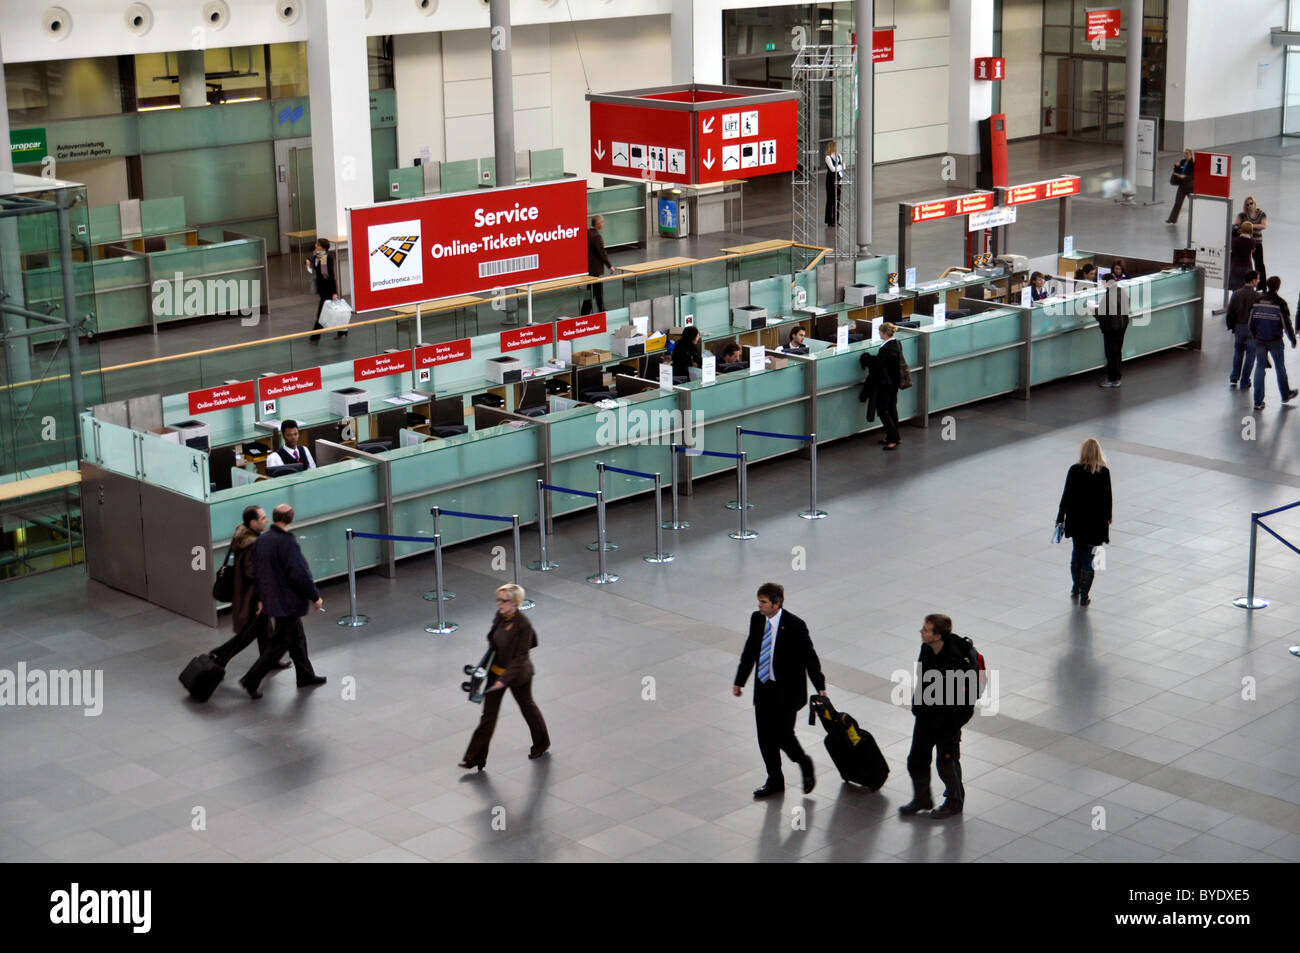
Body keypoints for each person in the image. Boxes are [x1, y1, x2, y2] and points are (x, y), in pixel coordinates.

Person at [732, 582, 826, 798]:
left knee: (783, 735)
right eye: (759, 601)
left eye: (763, 602)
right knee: (765, 738)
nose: (759, 606)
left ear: (777, 604)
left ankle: (804, 763)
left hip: (787, 691)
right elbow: (750, 651)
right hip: (764, 688)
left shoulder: (795, 625)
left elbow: (809, 658)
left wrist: (820, 687)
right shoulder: (757, 620)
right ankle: (775, 780)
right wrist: (740, 681)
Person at [239, 504, 327, 698]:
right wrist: (315, 596)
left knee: (297, 639)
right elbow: (300, 574)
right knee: (278, 645)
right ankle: (251, 680)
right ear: (291, 519)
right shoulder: (288, 543)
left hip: (273, 601)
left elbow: (258, 573)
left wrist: (262, 598)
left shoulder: (263, 541)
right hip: (287, 603)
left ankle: (305, 675)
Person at [459, 584, 550, 770]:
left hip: (518, 675)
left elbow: (521, 657)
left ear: (515, 603)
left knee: (527, 707)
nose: (499, 604)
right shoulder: (500, 617)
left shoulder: (524, 625)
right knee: (488, 717)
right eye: (498, 600)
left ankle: (542, 743)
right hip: (496, 672)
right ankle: (474, 757)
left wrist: (503, 680)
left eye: (504, 600)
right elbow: (493, 641)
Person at [900, 613, 977, 819]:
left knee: (946, 762)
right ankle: (922, 798)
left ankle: (954, 802)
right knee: (916, 759)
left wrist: (955, 721)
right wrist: (918, 706)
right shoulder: (926, 648)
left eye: (926, 629)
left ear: (938, 636)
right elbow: (921, 678)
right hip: (926, 715)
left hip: (948, 720)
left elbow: (967, 694)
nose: (921, 632)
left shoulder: (956, 658)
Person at [205, 506, 287, 671]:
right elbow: (253, 574)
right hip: (251, 597)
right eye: (263, 518)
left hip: (243, 593)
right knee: (247, 635)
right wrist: (260, 600)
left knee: (265, 632)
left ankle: (269, 661)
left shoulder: (242, 535)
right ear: (253, 522)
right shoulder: (252, 545)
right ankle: (219, 657)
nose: (267, 520)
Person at [1055, 437, 1112, 606]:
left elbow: (1066, 496)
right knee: (1089, 557)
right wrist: (1108, 516)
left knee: (1077, 553)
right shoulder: (1104, 472)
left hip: (1077, 521)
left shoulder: (1074, 470)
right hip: (1096, 524)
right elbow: (1107, 498)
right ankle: (1084, 595)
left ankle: (1076, 586)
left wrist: (1060, 517)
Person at [1249, 275, 1299, 410]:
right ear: (1278, 287)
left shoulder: (1256, 300)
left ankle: (1258, 402)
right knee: (1280, 367)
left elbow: (1251, 322)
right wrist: (1292, 339)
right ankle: (1285, 395)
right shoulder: (1280, 303)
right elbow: (1287, 324)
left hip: (1259, 340)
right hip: (1275, 341)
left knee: (1260, 368)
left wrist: (1255, 335)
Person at [860, 322, 902, 449]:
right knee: (892, 409)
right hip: (894, 382)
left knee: (883, 411)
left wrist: (867, 358)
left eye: (880, 332)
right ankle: (894, 436)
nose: (879, 334)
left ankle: (893, 438)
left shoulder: (885, 349)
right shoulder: (897, 344)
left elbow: (879, 365)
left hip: (886, 384)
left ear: (884, 333)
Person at [1227, 271, 1261, 390]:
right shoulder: (1257, 296)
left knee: (1238, 352)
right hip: (1251, 329)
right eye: (1257, 279)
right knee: (1251, 355)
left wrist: (1231, 325)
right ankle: (1245, 381)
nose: (1258, 281)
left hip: (1239, 327)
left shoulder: (1236, 293)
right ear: (1252, 281)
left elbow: (1230, 311)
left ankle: (1234, 377)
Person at [1096, 274, 1129, 388]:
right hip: (1122, 326)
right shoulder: (1122, 292)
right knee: (1117, 352)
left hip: (1111, 329)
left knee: (1110, 354)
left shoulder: (1109, 296)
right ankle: (1117, 377)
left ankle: (1112, 379)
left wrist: (1094, 311)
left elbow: (1102, 316)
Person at [307, 238, 344, 344]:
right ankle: (342, 330)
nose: (315, 246)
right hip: (322, 289)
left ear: (323, 248)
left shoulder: (327, 258)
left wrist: (334, 293)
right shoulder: (317, 255)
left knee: (321, 314)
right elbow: (311, 262)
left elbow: (331, 276)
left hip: (328, 289)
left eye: (318, 245)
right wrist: (308, 260)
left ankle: (315, 337)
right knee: (332, 312)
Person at [583, 215, 613, 315]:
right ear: (597, 224)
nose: (603, 224)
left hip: (588, 269)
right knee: (597, 292)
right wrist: (609, 266)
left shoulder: (587, 233)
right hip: (596, 269)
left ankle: (586, 312)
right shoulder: (597, 236)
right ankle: (600, 311)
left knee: (591, 292)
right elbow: (602, 253)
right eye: (602, 222)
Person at [1235, 196, 1268, 282]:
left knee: (1259, 263)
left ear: (1255, 203)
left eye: (1251, 203)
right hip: (1245, 242)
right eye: (1247, 204)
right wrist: (1241, 229)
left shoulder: (1261, 214)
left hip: (1257, 242)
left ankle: (1262, 284)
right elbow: (1235, 226)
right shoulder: (1242, 215)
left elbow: (1264, 225)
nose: (1249, 205)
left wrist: (1250, 226)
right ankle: (1246, 282)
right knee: (1244, 262)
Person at [1166, 149, 1194, 224]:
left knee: (1193, 204)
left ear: (1191, 155)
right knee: (1177, 203)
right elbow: (1177, 171)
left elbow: (1192, 176)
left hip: (1190, 187)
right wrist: (1176, 166)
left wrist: (1185, 177)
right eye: (1185, 153)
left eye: (1187, 154)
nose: (1185, 155)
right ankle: (1172, 219)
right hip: (1182, 186)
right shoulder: (1182, 161)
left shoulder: (1193, 164)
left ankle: (1196, 218)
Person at [1229, 221, 1256, 292]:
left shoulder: (1235, 240)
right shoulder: (1252, 241)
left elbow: (1233, 251)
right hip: (1247, 265)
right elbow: (1252, 250)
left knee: (1235, 288)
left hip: (1236, 264)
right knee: (1246, 287)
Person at [824, 141, 844, 227]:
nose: (836, 148)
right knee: (831, 200)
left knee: (837, 200)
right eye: (835, 147)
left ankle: (836, 219)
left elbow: (843, 165)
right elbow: (832, 169)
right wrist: (839, 167)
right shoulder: (828, 157)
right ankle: (829, 220)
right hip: (831, 180)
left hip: (838, 178)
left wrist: (839, 168)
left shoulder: (839, 156)